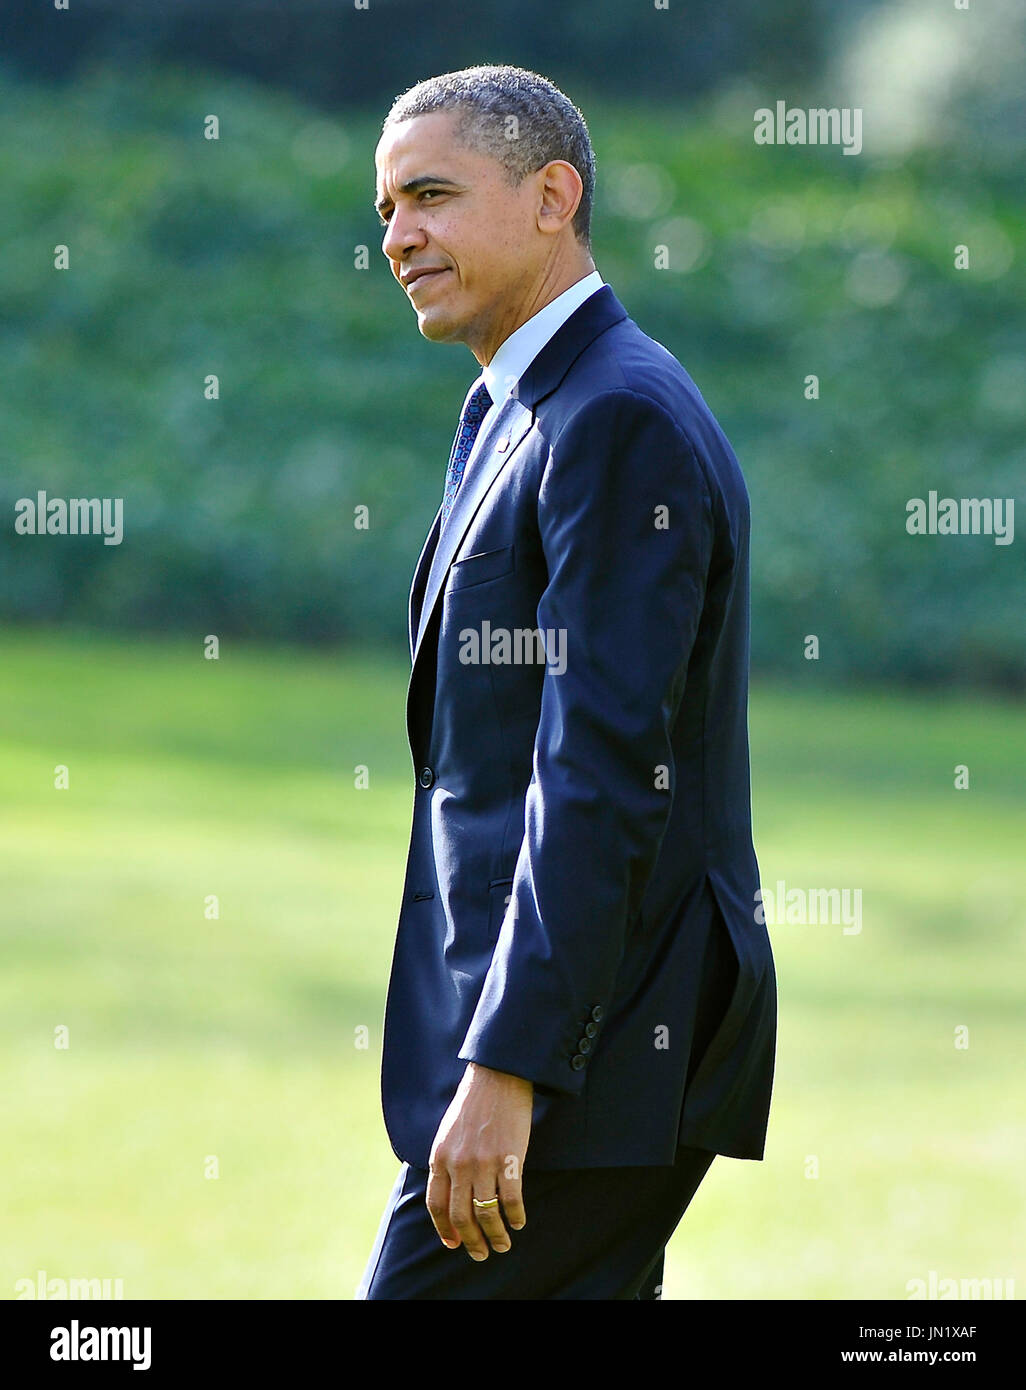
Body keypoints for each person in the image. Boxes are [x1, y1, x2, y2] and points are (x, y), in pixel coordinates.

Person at [356, 64, 776, 1300]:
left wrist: (514, 1066)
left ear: (553, 196)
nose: (398, 236)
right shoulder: (519, 405)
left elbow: (601, 773)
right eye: (384, 208)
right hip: (573, 1049)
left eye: (430, 195)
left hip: (598, 1057)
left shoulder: (614, 416)